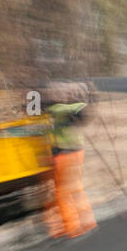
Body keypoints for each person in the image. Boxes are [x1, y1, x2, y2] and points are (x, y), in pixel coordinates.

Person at [43, 102, 96, 239]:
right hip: (77, 152)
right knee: (77, 188)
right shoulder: (71, 108)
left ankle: (73, 228)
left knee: (63, 194)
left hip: (63, 155)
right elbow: (82, 107)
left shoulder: (55, 109)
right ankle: (88, 222)